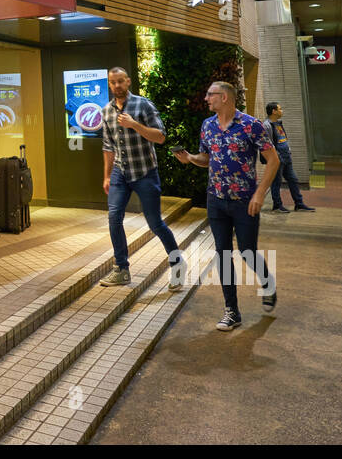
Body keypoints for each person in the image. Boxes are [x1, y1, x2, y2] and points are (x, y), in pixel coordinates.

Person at [171, 81, 279, 332]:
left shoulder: (251, 125)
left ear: (225, 98)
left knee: (247, 252)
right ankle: (232, 311)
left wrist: (260, 194)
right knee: (222, 254)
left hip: (245, 201)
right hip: (216, 200)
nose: (207, 98)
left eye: (211, 95)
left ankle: (267, 282)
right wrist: (190, 158)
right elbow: (206, 158)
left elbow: (273, 160)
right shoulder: (207, 125)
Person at [99, 67, 183, 289]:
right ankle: (121, 269)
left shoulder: (143, 105)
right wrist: (107, 176)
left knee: (155, 222)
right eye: (113, 82)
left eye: (120, 81)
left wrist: (134, 124)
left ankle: (177, 263)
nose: (117, 86)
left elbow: (161, 137)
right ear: (109, 84)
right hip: (120, 171)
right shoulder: (106, 111)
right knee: (114, 218)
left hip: (145, 171)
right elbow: (108, 147)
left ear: (128, 82)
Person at [264, 102, 314, 213]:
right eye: (280, 109)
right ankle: (277, 205)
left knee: (293, 179)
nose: (282, 111)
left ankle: (299, 204)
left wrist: (288, 150)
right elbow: (268, 144)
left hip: (286, 157)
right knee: (276, 182)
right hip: (277, 158)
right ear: (274, 111)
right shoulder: (267, 125)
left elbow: (283, 138)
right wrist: (275, 157)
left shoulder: (278, 123)